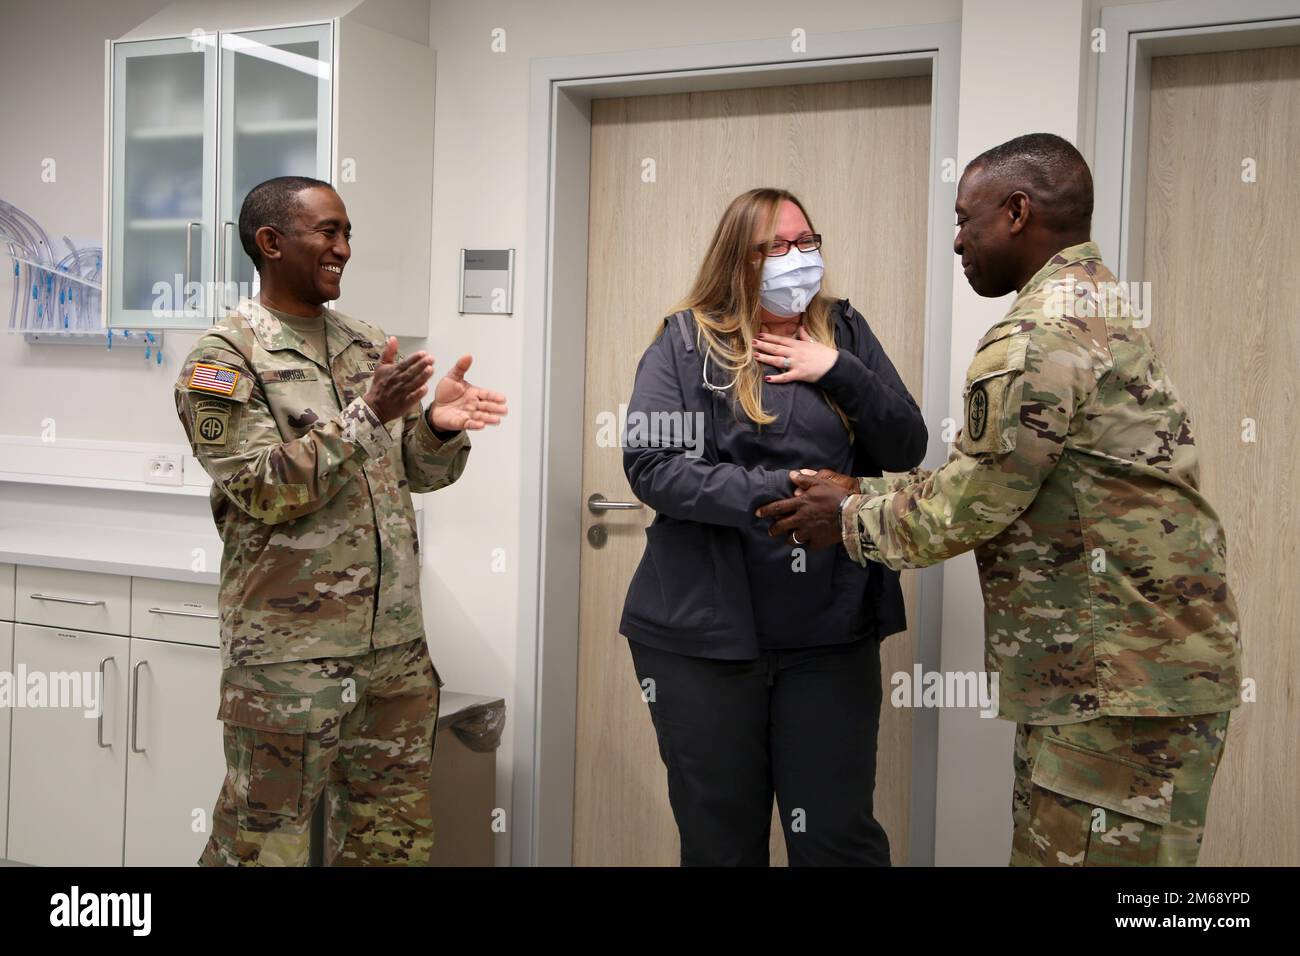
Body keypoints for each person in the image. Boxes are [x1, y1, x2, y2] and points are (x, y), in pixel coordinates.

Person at [758, 134, 1242, 866]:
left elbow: (975, 502)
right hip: (1127, 673)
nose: (958, 240)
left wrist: (847, 515)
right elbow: (1011, 477)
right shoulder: (1091, 299)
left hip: (1114, 683)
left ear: (1016, 211)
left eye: (966, 218)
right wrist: (864, 488)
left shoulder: (1038, 335)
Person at [173, 175, 508, 866]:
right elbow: (262, 487)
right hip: (290, 661)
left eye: (348, 233)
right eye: (328, 232)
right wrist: (366, 416)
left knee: (393, 844)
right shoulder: (224, 359)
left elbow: (412, 472)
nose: (344, 249)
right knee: (262, 846)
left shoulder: (366, 345)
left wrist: (437, 429)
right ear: (271, 242)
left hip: (394, 654)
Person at [619, 187, 927, 866]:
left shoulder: (843, 331)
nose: (797, 259)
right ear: (741, 257)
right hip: (704, 640)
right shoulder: (686, 340)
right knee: (721, 841)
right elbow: (651, 466)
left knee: (836, 837)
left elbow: (907, 446)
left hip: (829, 634)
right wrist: (783, 490)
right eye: (777, 247)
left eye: (806, 243)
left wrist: (840, 372)